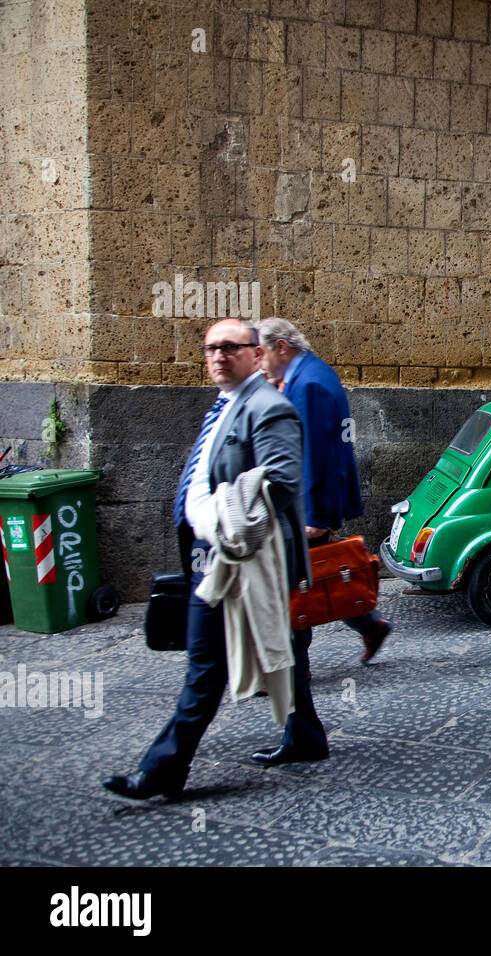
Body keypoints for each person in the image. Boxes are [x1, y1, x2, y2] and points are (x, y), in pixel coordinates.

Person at [102, 319, 327, 799]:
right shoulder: (228, 403)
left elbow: (283, 482)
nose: (218, 356)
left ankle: (161, 770)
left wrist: (212, 514)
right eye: (210, 348)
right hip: (218, 555)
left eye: (230, 347)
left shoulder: (270, 407)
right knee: (283, 649)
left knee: (205, 669)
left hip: (237, 560)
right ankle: (306, 737)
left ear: (255, 353)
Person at [255, 317, 392, 672]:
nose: (258, 360)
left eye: (261, 352)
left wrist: (314, 517)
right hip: (311, 502)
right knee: (317, 577)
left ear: (280, 347)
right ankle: (369, 624)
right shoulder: (312, 373)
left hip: (308, 507)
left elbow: (312, 454)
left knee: (298, 585)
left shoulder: (308, 385)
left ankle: (288, 667)